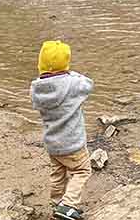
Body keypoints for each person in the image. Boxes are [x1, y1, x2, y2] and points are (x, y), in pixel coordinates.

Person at [31, 41, 93, 220]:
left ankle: (57, 203)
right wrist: (69, 72)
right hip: (73, 143)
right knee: (82, 171)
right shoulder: (72, 83)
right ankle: (68, 204)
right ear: (66, 65)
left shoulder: (36, 88)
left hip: (52, 142)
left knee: (57, 172)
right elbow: (88, 84)